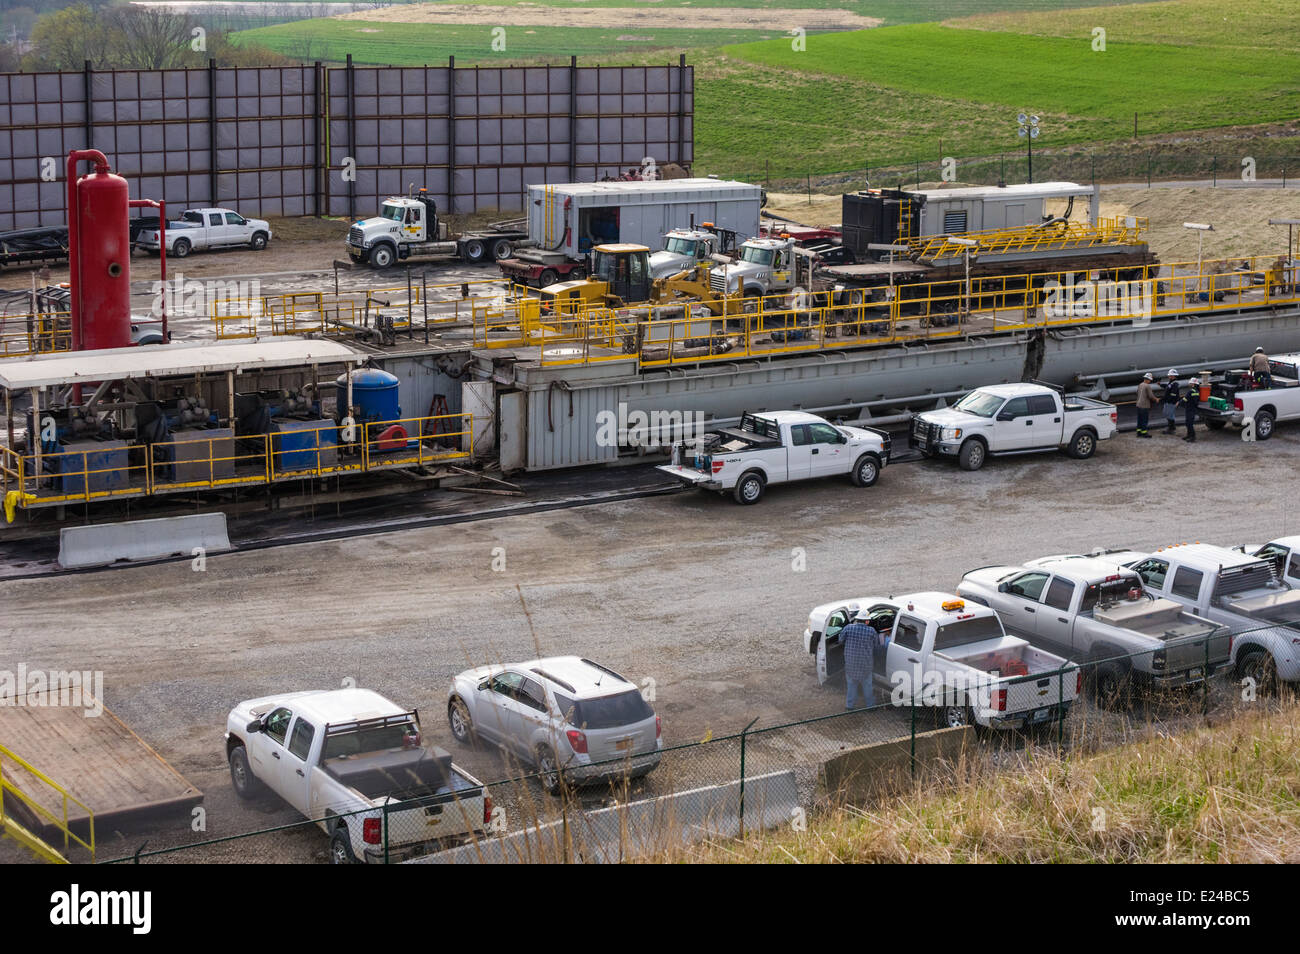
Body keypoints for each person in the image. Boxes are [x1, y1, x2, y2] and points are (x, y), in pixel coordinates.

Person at [838, 609, 879, 710]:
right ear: (867, 621)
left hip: (851, 665)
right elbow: (876, 646)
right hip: (866, 666)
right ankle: (870, 707)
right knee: (868, 687)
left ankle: (849, 706)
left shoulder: (848, 628)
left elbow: (840, 640)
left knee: (851, 687)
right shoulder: (872, 631)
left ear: (857, 619)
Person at [1135, 372, 1157, 438]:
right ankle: (1144, 433)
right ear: (1147, 379)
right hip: (1144, 406)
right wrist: (1156, 399)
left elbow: (1137, 392)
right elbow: (1150, 396)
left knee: (1139, 419)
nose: (1150, 381)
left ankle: (1139, 432)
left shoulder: (1140, 385)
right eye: (1150, 380)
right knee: (1144, 420)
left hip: (1138, 405)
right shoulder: (1147, 386)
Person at [1180, 376, 1201, 442]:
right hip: (1192, 408)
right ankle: (1189, 435)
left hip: (1189, 409)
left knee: (1189, 423)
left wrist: (1179, 403)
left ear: (1193, 384)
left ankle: (1192, 437)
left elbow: (1185, 399)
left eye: (1191, 383)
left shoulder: (1191, 391)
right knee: (1188, 423)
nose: (1189, 384)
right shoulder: (1197, 391)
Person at [1160, 370, 1180, 434]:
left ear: (1174, 376)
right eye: (1169, 375)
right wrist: (1160, 385)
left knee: (1170, 415)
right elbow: (1167, 386)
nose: (1169, 376)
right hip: (1169, 402)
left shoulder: (1175, 384)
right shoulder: (1171, 383)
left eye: (1171, 375)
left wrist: (1166, 400)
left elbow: (1173, 394)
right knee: (1167, 414)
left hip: (1171, 402)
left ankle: (1171, 429)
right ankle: (1171, 427)